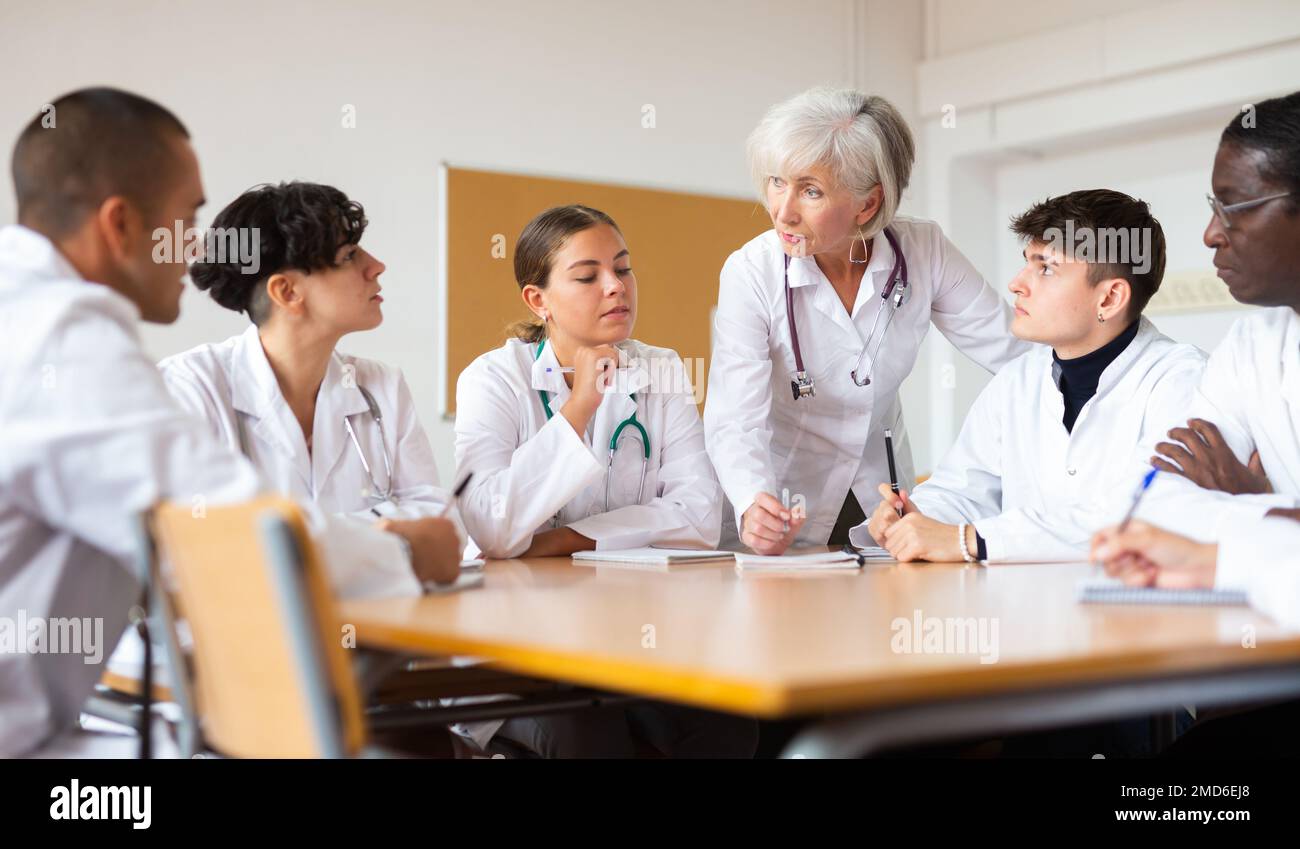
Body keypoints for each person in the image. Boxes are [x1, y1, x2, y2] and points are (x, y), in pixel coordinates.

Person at [0, 87, 459, 758]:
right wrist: (404, 550)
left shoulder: (34, 320)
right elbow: (237, 534)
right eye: (188, 217)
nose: (198, 247)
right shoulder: (59, 340)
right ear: (120, 224)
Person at [453, 204, 752, 757]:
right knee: (590, 736)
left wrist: (566, 540)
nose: (616, 287)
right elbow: (493, 527)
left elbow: (698, 515)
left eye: (624, 268)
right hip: (522, 649)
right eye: (588, 276)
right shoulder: (494, 380)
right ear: (537, 300)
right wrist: (582, 403)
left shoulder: (659, 369)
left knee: (728, 723)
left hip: (637, 638)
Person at [705, 85, 1029, 555]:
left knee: (883, 620)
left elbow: (1016, 350)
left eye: (810, 191)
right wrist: (753, 500)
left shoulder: (924, 251)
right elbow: (736, 418)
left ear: (868, 204)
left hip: (879, 498)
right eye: (777, 181)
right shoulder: (751, 271)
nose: (782, 210)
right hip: (780, 499)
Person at [860, 190, 1205, 562]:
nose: (1017, 283)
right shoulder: (1016, 381)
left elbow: (1141, 514)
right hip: (1025, 608)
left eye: (1046, 269)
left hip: (1136, 612)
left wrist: (969, 540)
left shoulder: (1183, 381)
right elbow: (964, 489)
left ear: (1108, 299)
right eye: (1027, 263)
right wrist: (915, 516)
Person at [163, 181, 457, 526]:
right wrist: (385, 534)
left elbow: (440, 526)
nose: (376, 266)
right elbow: (205, 541)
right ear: (287, 292)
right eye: (349, 256)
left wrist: (300, 536)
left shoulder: (381, 386)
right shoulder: (190, 388)